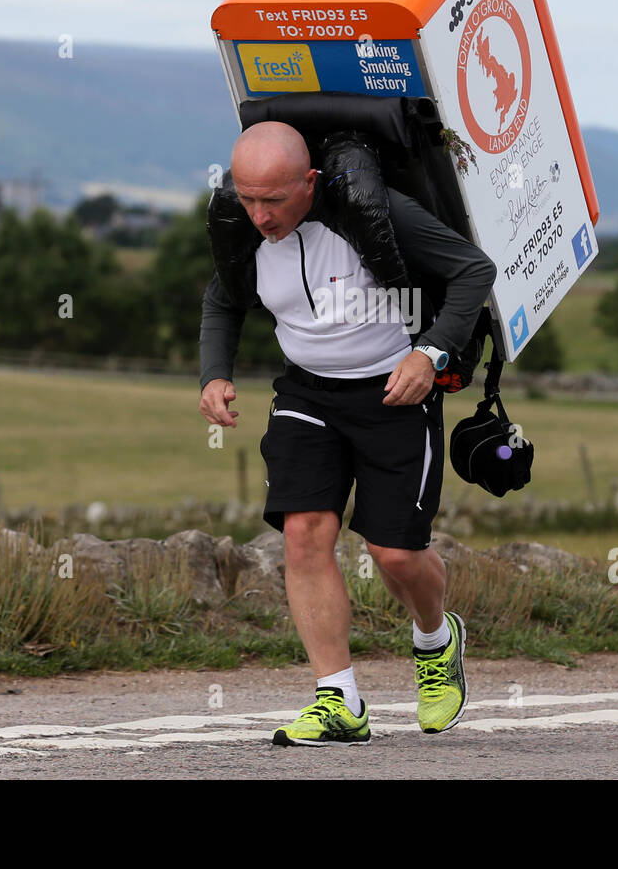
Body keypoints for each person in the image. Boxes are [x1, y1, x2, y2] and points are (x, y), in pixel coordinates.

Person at [199, 120, 497, 745]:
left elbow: (474, 270)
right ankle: (339, 700)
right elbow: (225, 298)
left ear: (309, 183)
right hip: (307, 394)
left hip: (395, 389)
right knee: (305, 533)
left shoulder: (376, 211)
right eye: (248, 198)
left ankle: (436, 640)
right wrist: (215, 374)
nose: (259, 215)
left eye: (274, 199)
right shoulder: (242, 227)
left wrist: (433, 353)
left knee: (395, 553)